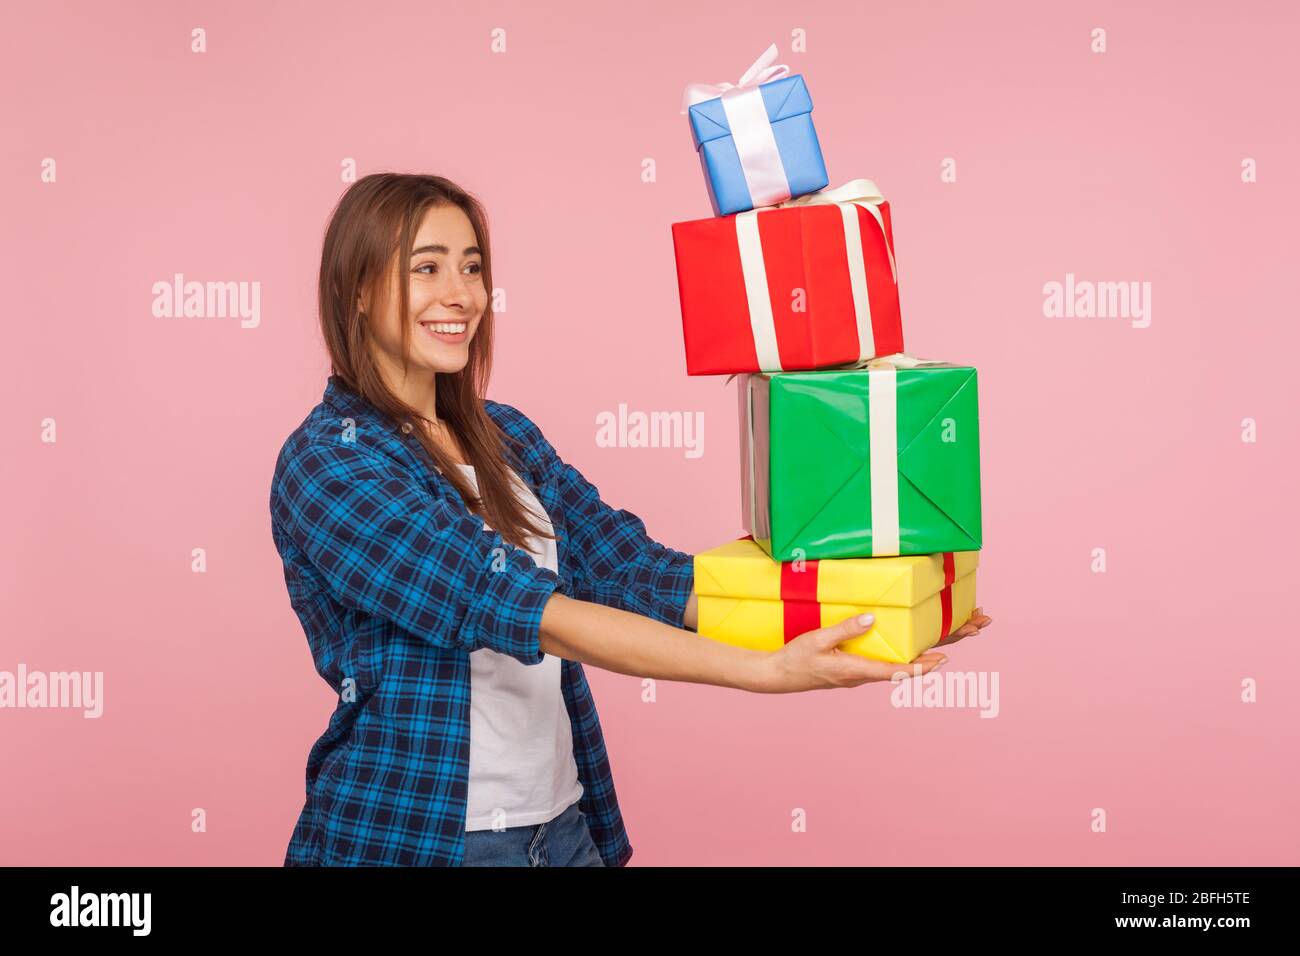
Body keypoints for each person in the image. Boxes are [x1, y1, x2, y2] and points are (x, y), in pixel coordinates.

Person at [268, 172, 993, 868]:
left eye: (472, 266)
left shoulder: (506, 436)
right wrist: (764, 671)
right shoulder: (331, 463)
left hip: (561, 831)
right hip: (422, 842)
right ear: (359, 290)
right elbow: (526, 611)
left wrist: (887, 610)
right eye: (426, 269)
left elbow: (633, 572)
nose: (460, 294)